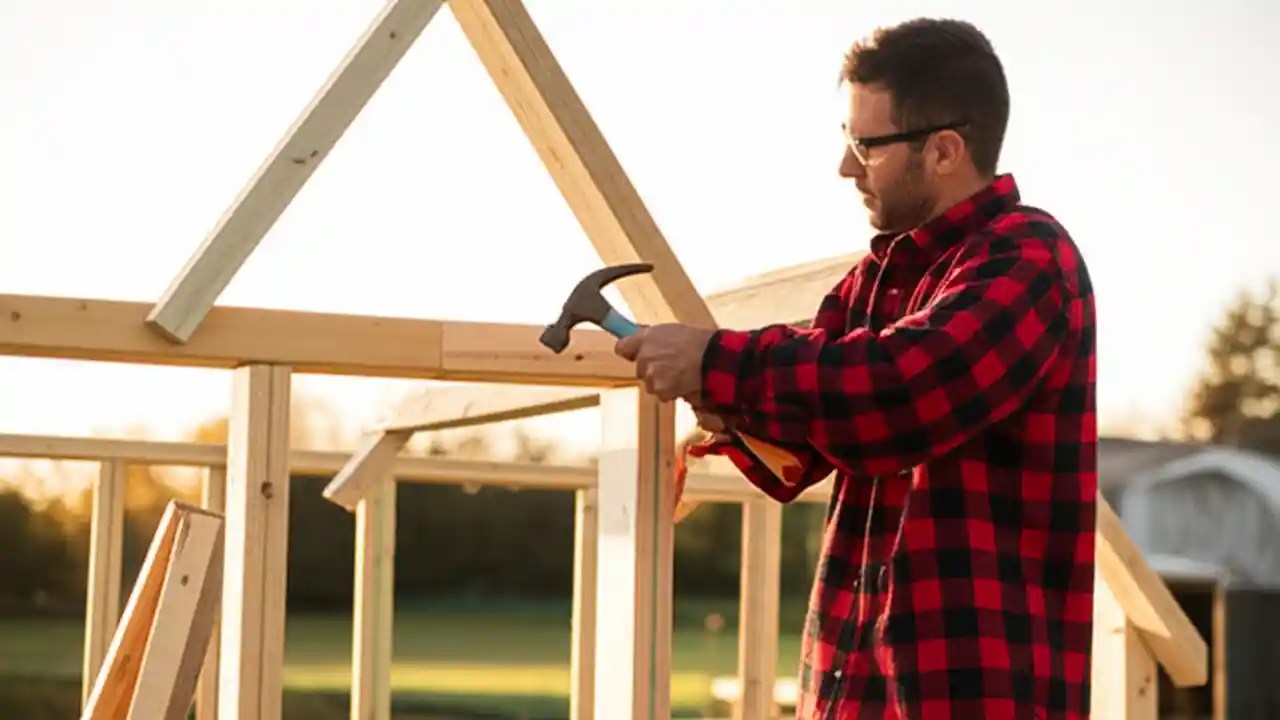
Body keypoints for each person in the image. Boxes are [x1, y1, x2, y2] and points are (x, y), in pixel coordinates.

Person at [615, 17, 1097, 720]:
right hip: (854, 686)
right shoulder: (872, 283)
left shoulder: (1028, 257)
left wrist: (714, 362)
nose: (846, 167)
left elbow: (903, 389)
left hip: (972, 691)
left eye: (864, 145)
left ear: (944, 150)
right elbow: (810, 433)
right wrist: (719, 400)